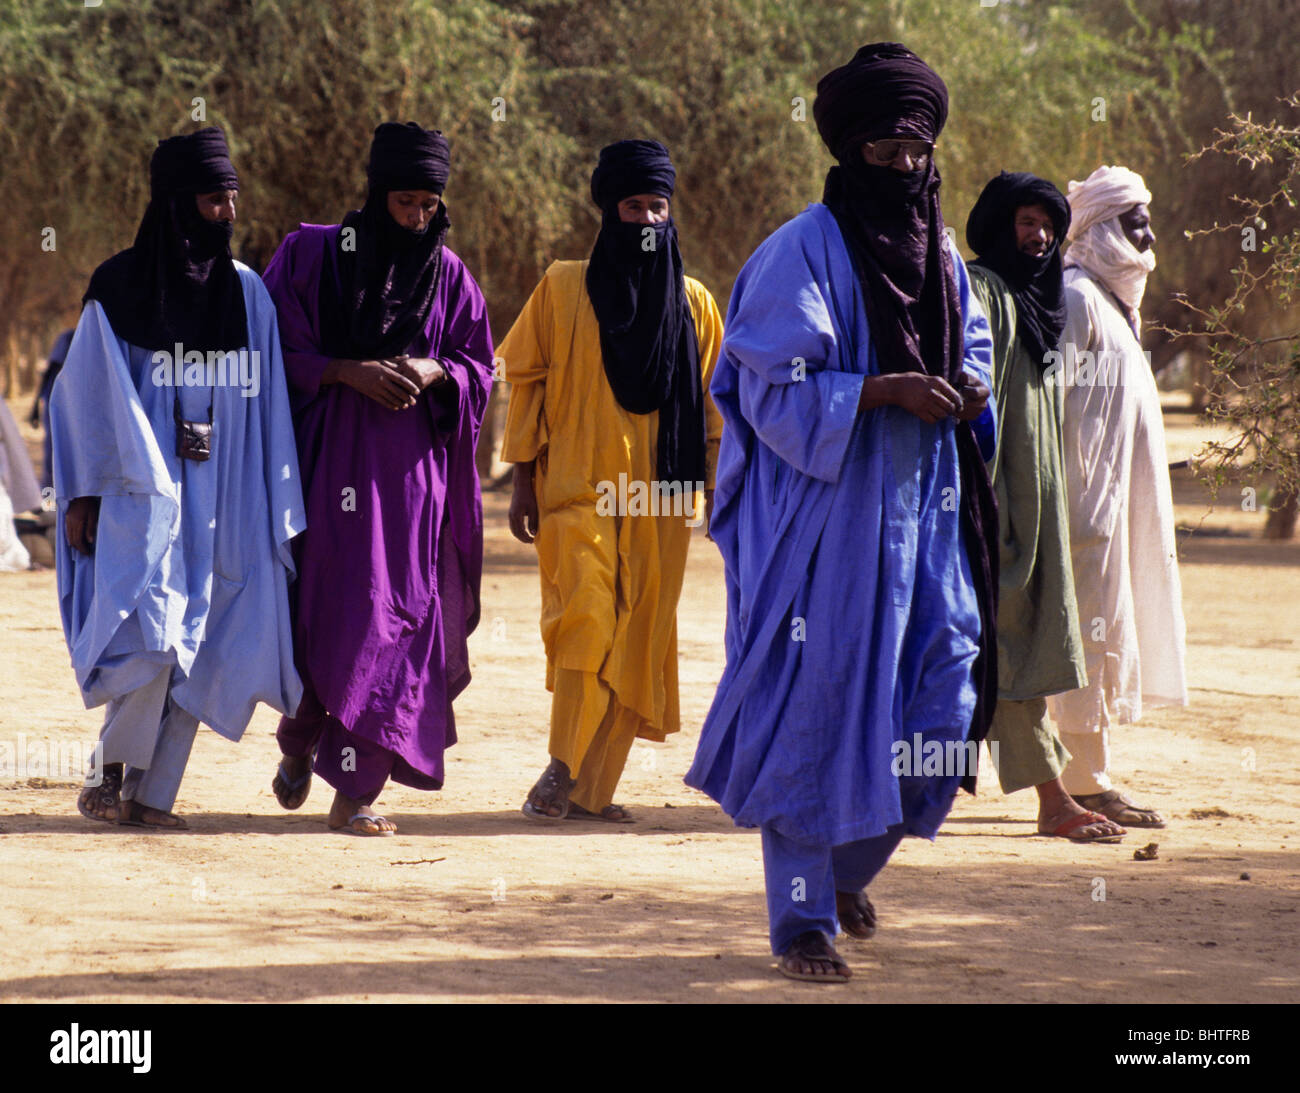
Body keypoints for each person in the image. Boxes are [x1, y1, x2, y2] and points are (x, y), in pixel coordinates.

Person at [686, 43, 999, 983]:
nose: (905, 169)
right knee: (817, 719)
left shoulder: (942, 249)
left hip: (927, 523)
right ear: (848, 150)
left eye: (919, 153)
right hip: (826, 530)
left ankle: (852, 867)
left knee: (945, 705)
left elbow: (973, 336)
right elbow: (769, 389)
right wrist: (876, 390)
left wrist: (973, 384)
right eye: (886, 153)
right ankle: (803, 922)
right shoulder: (799, 252)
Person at [51, 127, 305, 828]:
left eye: (231, 196)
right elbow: (86, 404)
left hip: (225, 498)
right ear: (173, 204)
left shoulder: (249, 295)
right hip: (143, 497)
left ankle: (152, 796)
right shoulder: (118, 288)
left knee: (209, 638)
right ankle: (108, 771)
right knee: (153, 629)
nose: (225, 210)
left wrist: (273, 504)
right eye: (210, 197)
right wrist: (82, 493)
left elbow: (269, 405)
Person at [264, 122, 494, 836]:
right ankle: (301, 740)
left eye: (430, 204)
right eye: (405, 201)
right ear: (374, 193)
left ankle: (356, 792)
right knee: (329, 613)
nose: (418, 217)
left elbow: (480, 364)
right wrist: (344, 370)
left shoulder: (450, 275)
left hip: (410, 486)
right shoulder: (312, 256)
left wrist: (435, 369)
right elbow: (270, 344)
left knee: (398, 616)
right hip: (327, 471)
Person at [500, 139, 724, 824]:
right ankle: (563, 762)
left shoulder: (695, 304)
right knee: (586, 620)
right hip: (577, 490)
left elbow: (714, 410)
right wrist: (521, 479)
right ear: (610, 210)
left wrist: (718, 494)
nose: (650, 219)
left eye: (660, 206)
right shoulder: (564, 286)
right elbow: (527, 382)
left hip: (660, 502)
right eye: (635, 206)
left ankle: (591, 791)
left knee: (638, 638)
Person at [965, 172, 1126, 843]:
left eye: (1046, 227)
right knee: (1005, 647)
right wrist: (981, 500)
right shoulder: (982, 289)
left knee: (1008, 646)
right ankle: (1053, 799)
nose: (1035, 237)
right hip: (992, 504)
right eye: (1024, 223)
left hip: (1038, 508)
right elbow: (975, 401)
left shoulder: (1045, 299)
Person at [1046, 165, 1188, 827]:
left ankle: (1083, 778)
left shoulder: (1109, 304)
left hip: (1106, 515)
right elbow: (1052, 406)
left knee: (1097, 642)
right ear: (1101, 227)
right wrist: (1076, 510)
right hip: (1082, 514)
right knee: (1083, 648)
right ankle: (1086, 786)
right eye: (1136, 223)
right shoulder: (1075, 297)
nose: (1149, 235)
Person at [31, 327, 75, 493]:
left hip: (68, 405)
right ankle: (49, 506)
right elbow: (51, 371)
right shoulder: (68, 337)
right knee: (53, 458)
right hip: (56, 406)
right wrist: (35, 409)